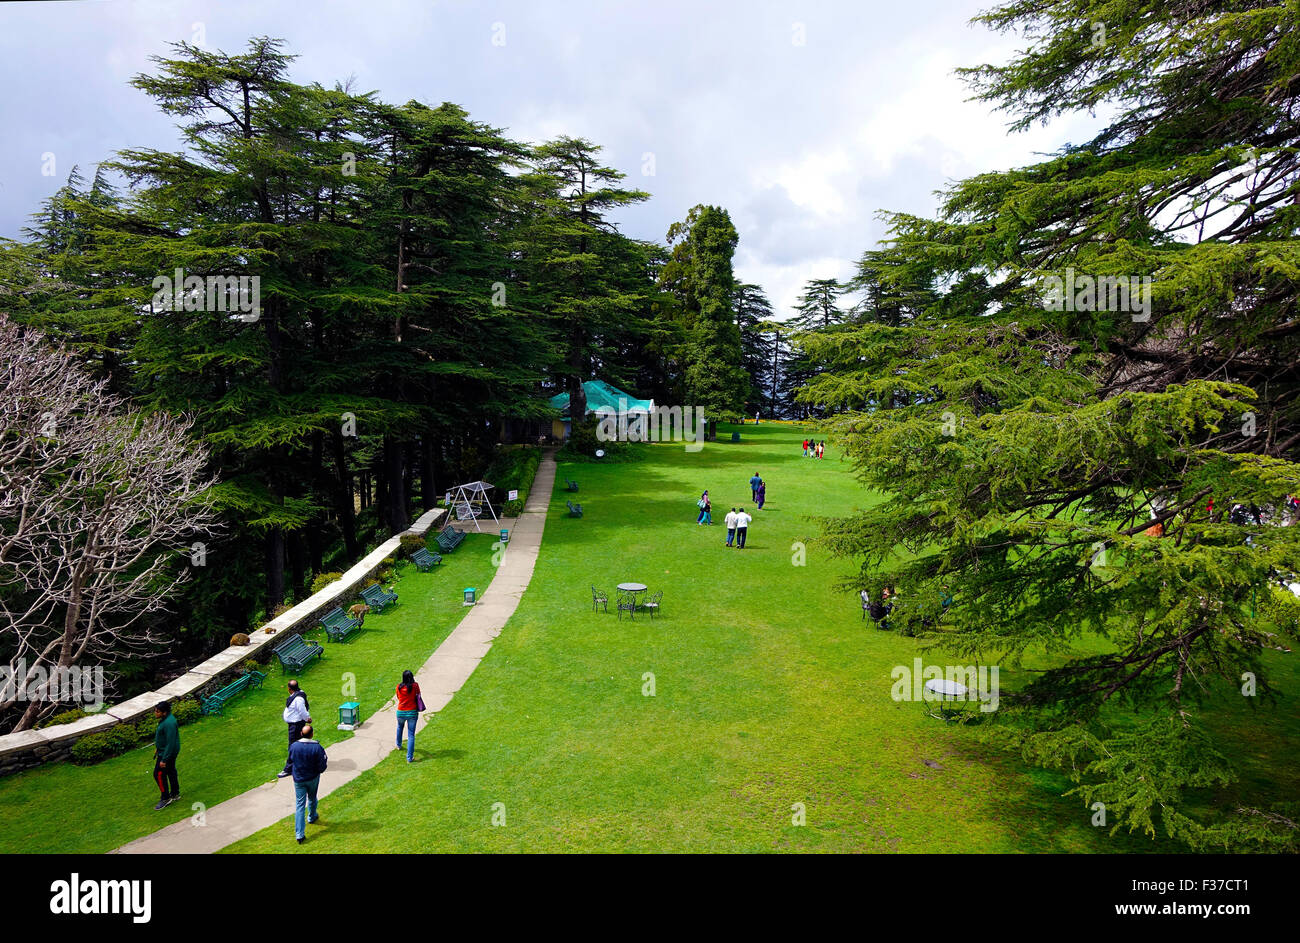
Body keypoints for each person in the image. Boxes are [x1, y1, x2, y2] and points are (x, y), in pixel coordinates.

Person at [288, 723, 328, 844]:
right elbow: (322, 764)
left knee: (300, 805)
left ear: (301, 734)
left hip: (299, 780)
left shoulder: (294, 746)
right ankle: (311, 816)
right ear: (312, 734)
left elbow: (290, 760)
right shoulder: (317, 747)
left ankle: (299, 834)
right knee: (312, 798)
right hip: (312, 778)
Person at [277, 679, 311, 779]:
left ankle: (288, 769)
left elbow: (302, 710)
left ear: (289, 689)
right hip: (295, 725)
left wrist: (307, 718)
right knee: (299, 745)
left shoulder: (298, 699)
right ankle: (303, 763)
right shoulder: (300, 693)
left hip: (296, 726)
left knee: (293, 747)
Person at [152, 700, 180, 810]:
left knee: (158, 774)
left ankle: (165, 798)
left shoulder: (169, 723)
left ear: (164, 712)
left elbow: (171, 742)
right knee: (171, 771)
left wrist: (164, 759)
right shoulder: (166, 720)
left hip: (167, 754)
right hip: (164, 751)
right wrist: (158, 748)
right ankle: (175, 793)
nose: (155, 713)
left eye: (157, 711)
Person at [395, 670, 421, 763]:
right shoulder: (415, 686)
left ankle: (398, 745)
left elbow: (398, 697)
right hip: (412, 713)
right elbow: (418, 696)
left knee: (399, 727)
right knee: (411, 735)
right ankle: (409, 758)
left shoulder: (399, 686)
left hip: (400, 712)